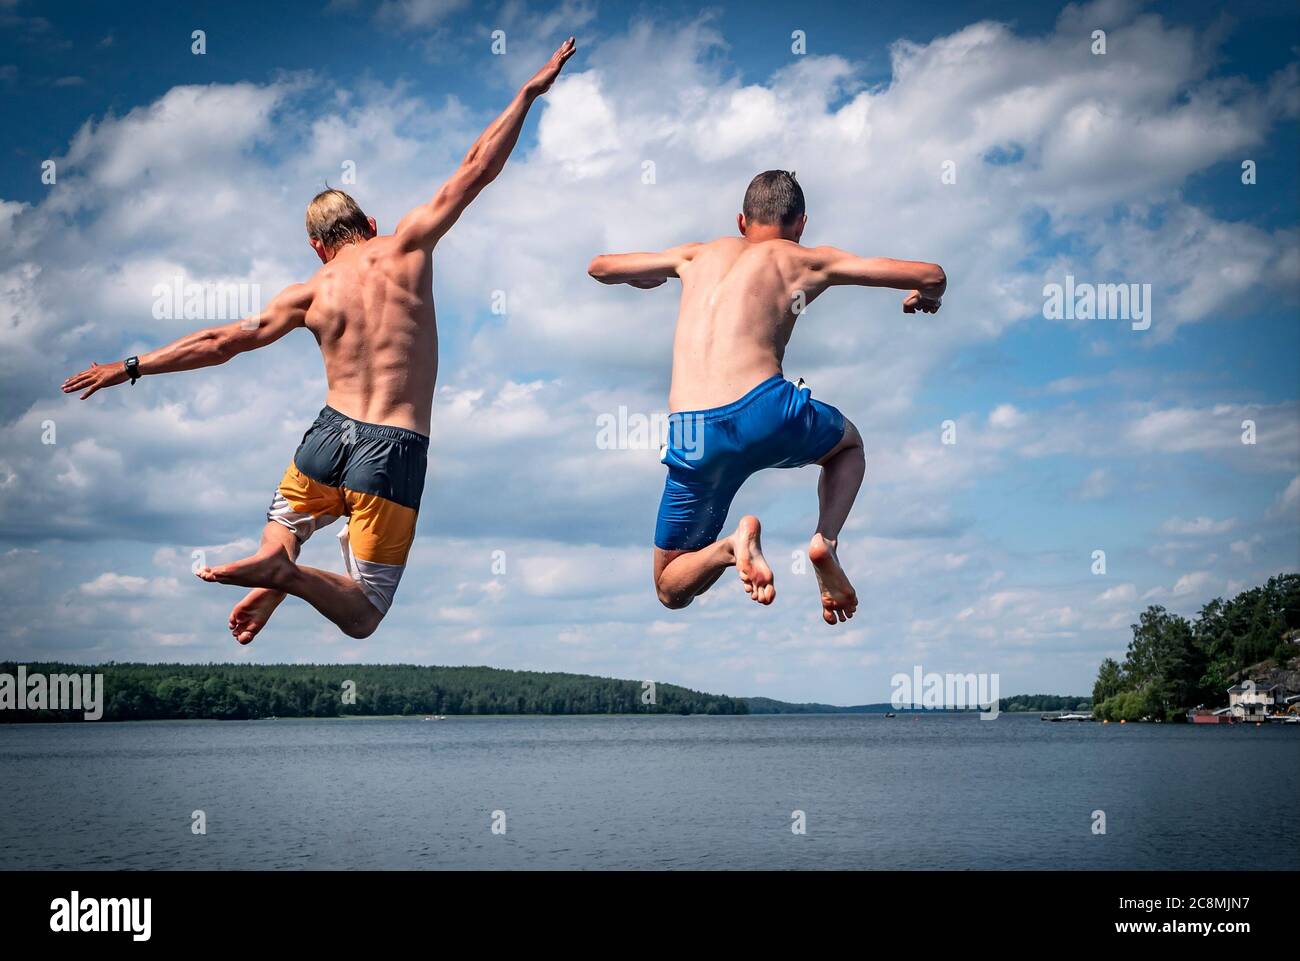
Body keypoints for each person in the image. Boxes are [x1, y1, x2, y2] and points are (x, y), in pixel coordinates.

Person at [61, 39, 578, 643]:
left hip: (327, 436)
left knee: (286, 523)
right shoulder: (406, 246)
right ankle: (289, 577)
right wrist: (528, 92)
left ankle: (277, 565)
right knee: (364, 614)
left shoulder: (306, 294)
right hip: (392, 446)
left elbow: (221, 340)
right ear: (371, 224)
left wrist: (130, 366)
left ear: (316, 247)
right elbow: (475, 168)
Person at [587, 170, 946, 625]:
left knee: (670, 587)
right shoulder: (808, 258)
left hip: (693, 434)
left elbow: (599, 266)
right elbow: (931, 274)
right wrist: (925, 298)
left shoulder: (694, 255)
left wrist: (646, 278)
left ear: (741, 221)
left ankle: (728, 547)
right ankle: (825, 542)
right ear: (800, 224)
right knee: (848, 445)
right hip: (766, 409)